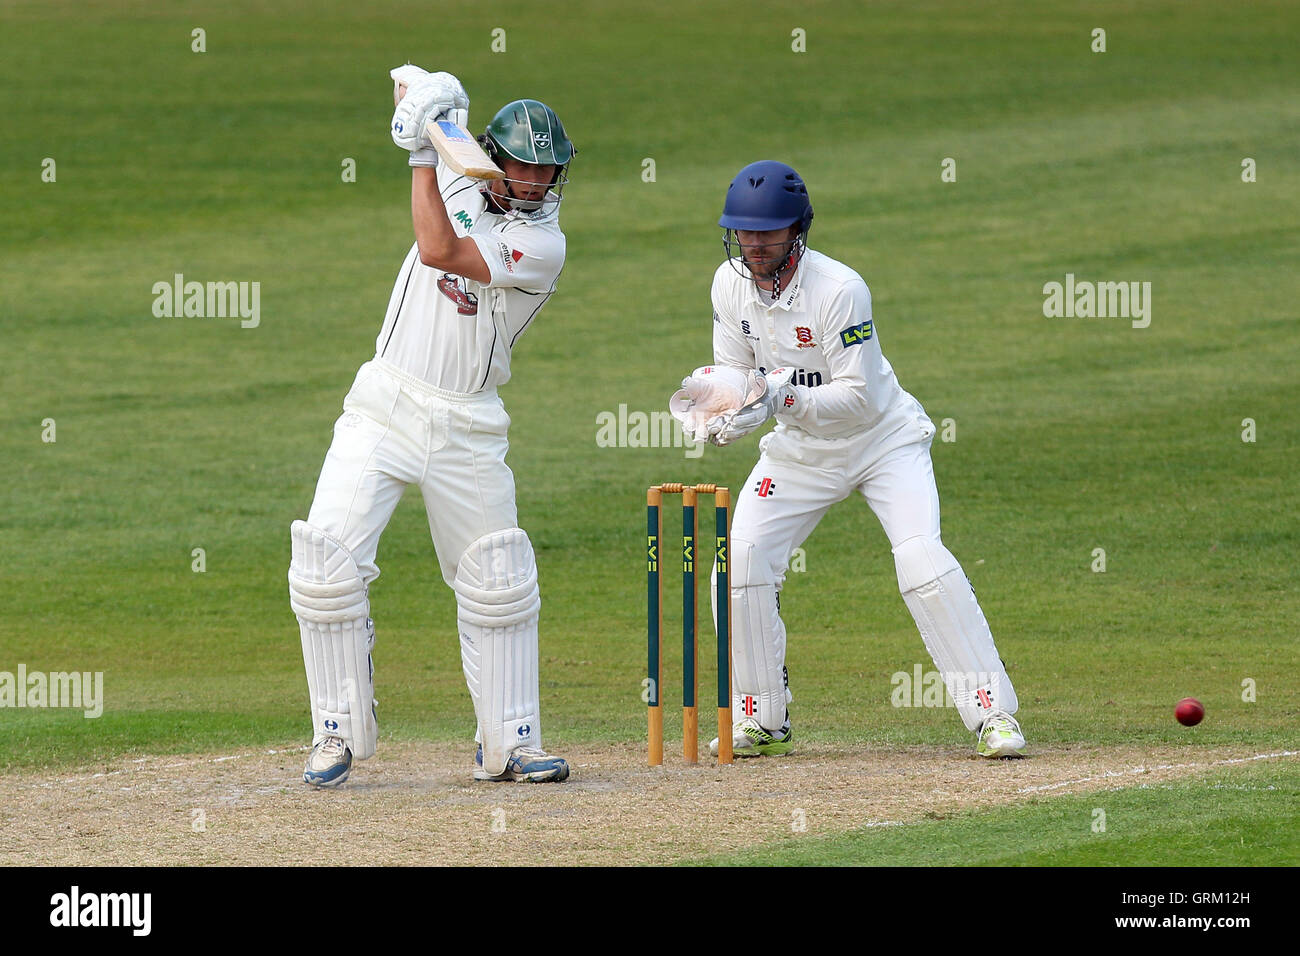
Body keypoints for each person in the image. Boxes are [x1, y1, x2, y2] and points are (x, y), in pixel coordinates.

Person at [287, 67, 575, 787]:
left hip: (468, 422)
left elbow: (440, 250)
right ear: (494, 157)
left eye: (548, 173)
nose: (537, 184)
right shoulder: (456, 168)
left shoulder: (543, 247)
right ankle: (335, 733)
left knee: (497, 578)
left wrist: (421, 154)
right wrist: (428, 97)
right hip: (384, 403)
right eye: (524, 169)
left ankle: (511, 742)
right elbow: (406, 82)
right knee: (325, 564)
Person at [681, 160, 1026, 759]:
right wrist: (726, 414)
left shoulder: (841, 289)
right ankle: (761, 719)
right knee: (736, 565)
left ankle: (993, 716)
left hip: (881, 441)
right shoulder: (727, 283)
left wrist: (777, 395)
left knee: (921, 561)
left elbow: (858, 396)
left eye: (768, 232)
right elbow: (738, 376)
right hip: (800, 452)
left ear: (797, 230)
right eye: (744, 232)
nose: (754, 244)